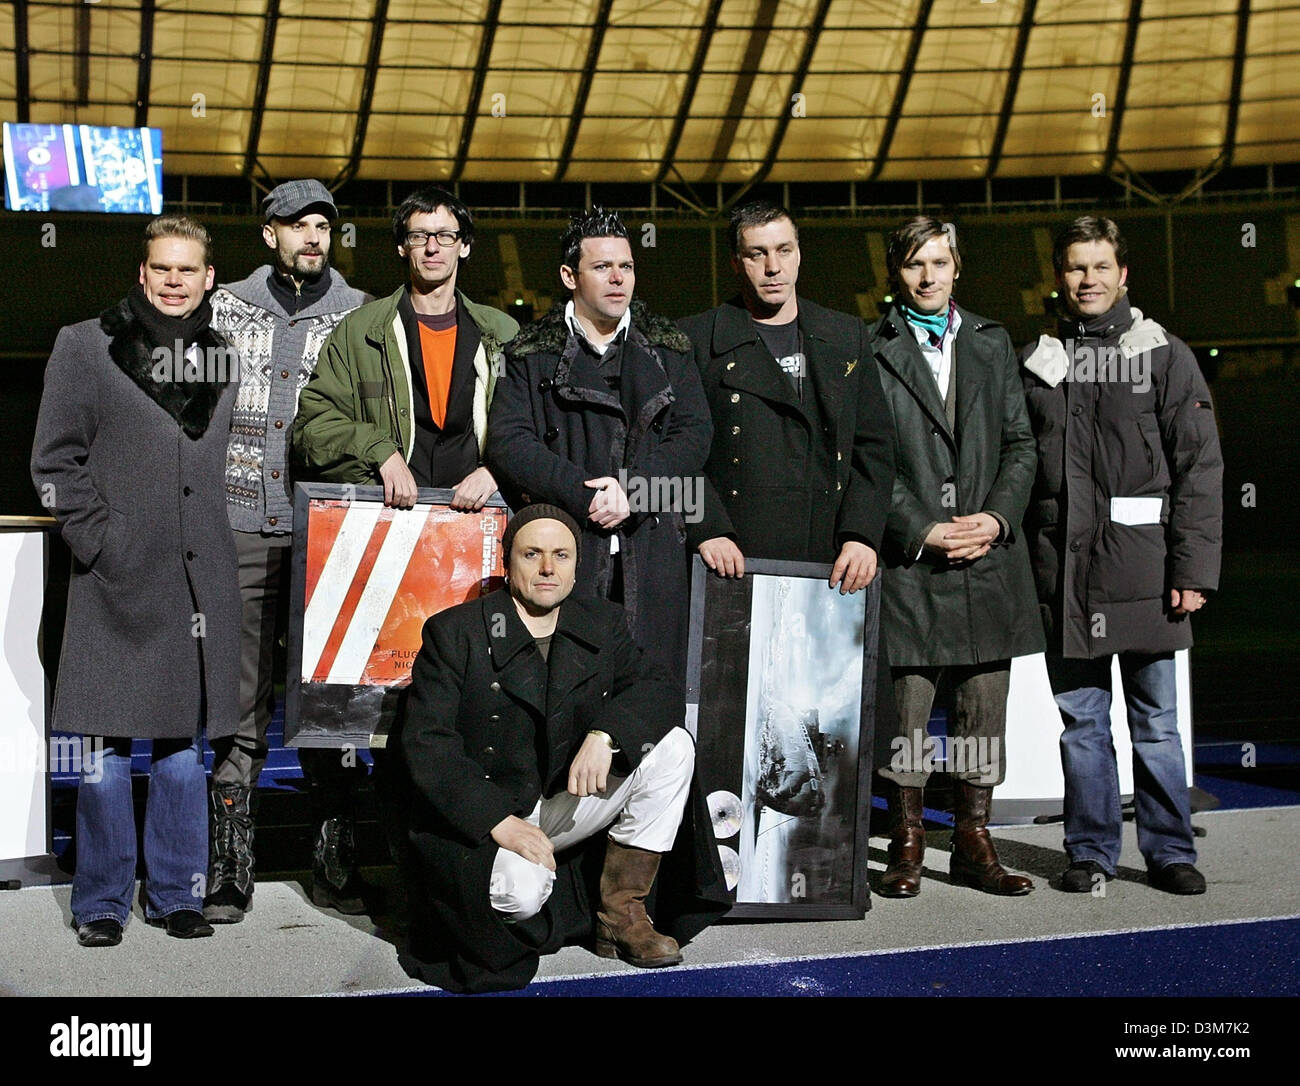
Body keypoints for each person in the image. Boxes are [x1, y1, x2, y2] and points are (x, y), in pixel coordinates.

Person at [393, 505, 728, 993]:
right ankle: (538, 895)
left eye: (561, 555)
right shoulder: (456, 632)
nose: (548, 568)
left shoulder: (601, 621)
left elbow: (657, 687)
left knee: (672, 746)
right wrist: (498, 823)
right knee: (519, 894)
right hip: (487, 815)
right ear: (509, 563)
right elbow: (427, 744)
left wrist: (605, 736)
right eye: (533, 554)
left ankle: (622, 912)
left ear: (575, 566)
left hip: (561, 801)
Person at [31, 214, 240, 946]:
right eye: (163, 268)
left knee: (184, 753)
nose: (176, 281)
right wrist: (107, 545)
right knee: (102, 758)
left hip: (197, 590)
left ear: (208, 277)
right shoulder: (85, 346)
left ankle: (177, 894)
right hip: (114, 583)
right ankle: (101, 902)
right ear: (143, 273)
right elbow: (53, 466)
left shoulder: (223, 355)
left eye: (190, 269)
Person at [1021, 216, 1223, 895]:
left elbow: (1199, 465)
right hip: (1067, 575)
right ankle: (1091, 852)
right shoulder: (1041, 357)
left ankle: (1169, 851)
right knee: (1081, 723)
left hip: (1145, 571)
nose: (1088, 279)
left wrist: (1192, 572)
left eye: (1100, 266)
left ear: (1123, 273)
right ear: (1060, 276)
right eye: (1076, 267)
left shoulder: (1160, 350)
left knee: (1156, 724)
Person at [206, 179, 370, 921]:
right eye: (297, 225)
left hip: (326, 534)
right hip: (237, 525)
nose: (313, 236)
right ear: (268, 233)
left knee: (333, 706)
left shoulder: (364, 315)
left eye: (323, 226)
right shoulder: (222, 308)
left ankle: (335, 854)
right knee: (238, 702)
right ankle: (229, 863)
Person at [869, 216, 1043, 897]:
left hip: (987, 561)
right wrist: (923, 528)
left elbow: (1022, 444)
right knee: (907, 717)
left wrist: (995, 519)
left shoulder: (993, 344)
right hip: (914, 564)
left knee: (980, 714)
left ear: (956, 268)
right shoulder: (869, 348)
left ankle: (973, 841)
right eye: (915, 264)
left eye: (939, 262)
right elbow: (866, 460)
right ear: (896, 273)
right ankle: (908, 842)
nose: (928, 275)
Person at [486, 206, 712, 689]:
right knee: (562, 691)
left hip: (652, 547)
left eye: (626, 267)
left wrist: (632, 492)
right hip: (567, 544)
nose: (618, 279)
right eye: (602, 267)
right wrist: (583, 494)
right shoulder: (528, 352)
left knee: (649, 694)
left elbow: (693, 435)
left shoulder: (672, 348)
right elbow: (509, 441)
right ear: (570, 275)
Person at [679, 200, 894, 593]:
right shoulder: (693, 341)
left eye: (783, 250)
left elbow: (874, 449)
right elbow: (673, 454)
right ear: (735, 262)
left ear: (799, 254)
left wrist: (861, 535)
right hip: (733, 561)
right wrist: (706, 527)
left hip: (834, 561)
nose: (772, 267)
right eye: (756, 254)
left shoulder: (846, 336)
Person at [293, 184, 519, 509]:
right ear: (402, 247)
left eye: (445, 236)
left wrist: (497, 470)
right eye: (418, 236)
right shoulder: (358, 333)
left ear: (464, 246)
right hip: (386, 517)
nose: (431, 248)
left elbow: (533, 425)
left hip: (478, 518)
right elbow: (312, 428)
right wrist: (379, 451)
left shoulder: (502, 334)